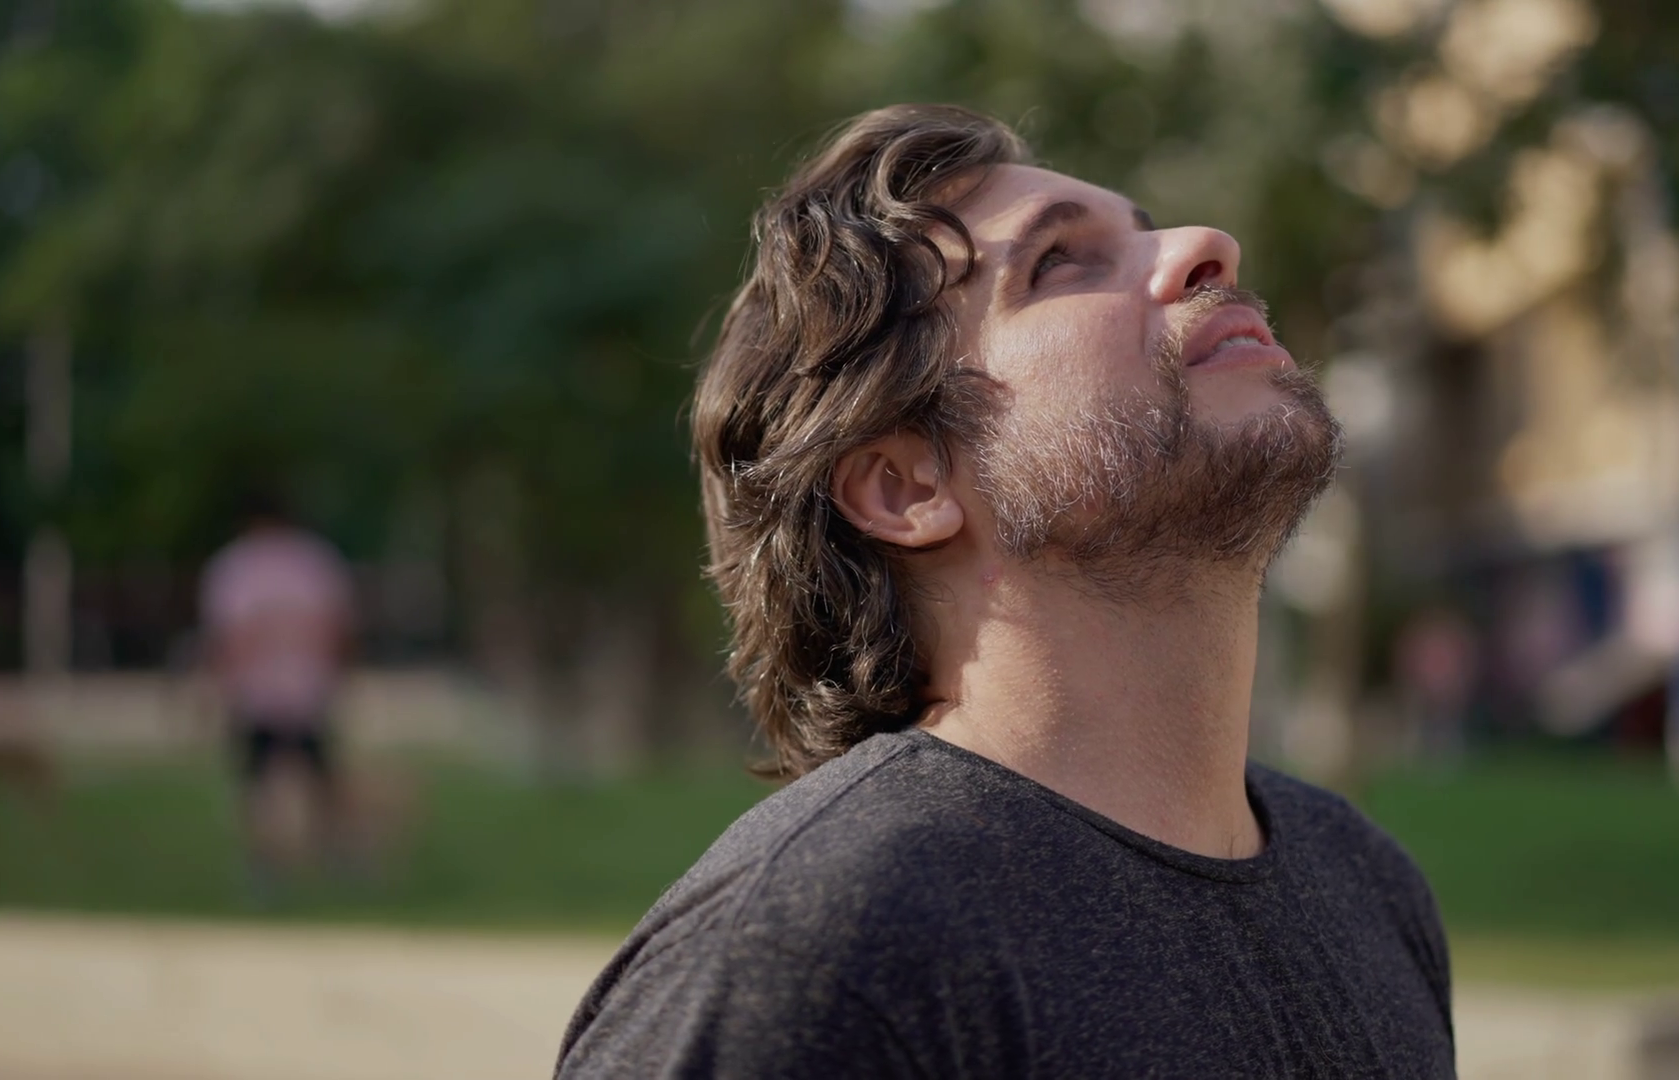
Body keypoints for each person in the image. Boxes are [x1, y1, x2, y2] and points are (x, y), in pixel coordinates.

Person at [558, 104, 1454, 1078]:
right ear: (908, 487)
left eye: (1142, 229)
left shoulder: (1366, 887)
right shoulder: (817, 944)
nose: (1207, 247)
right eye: (1060, 263)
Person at [199, 492, 355, 884]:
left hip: (257, 692)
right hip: (309, 686)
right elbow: (336, 630)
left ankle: (264, 864)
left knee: (257, 784)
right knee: (321, 778)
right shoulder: (315, 562)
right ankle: (334, 855)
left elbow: (229, 638)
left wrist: (217, 686)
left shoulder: (235, 566)